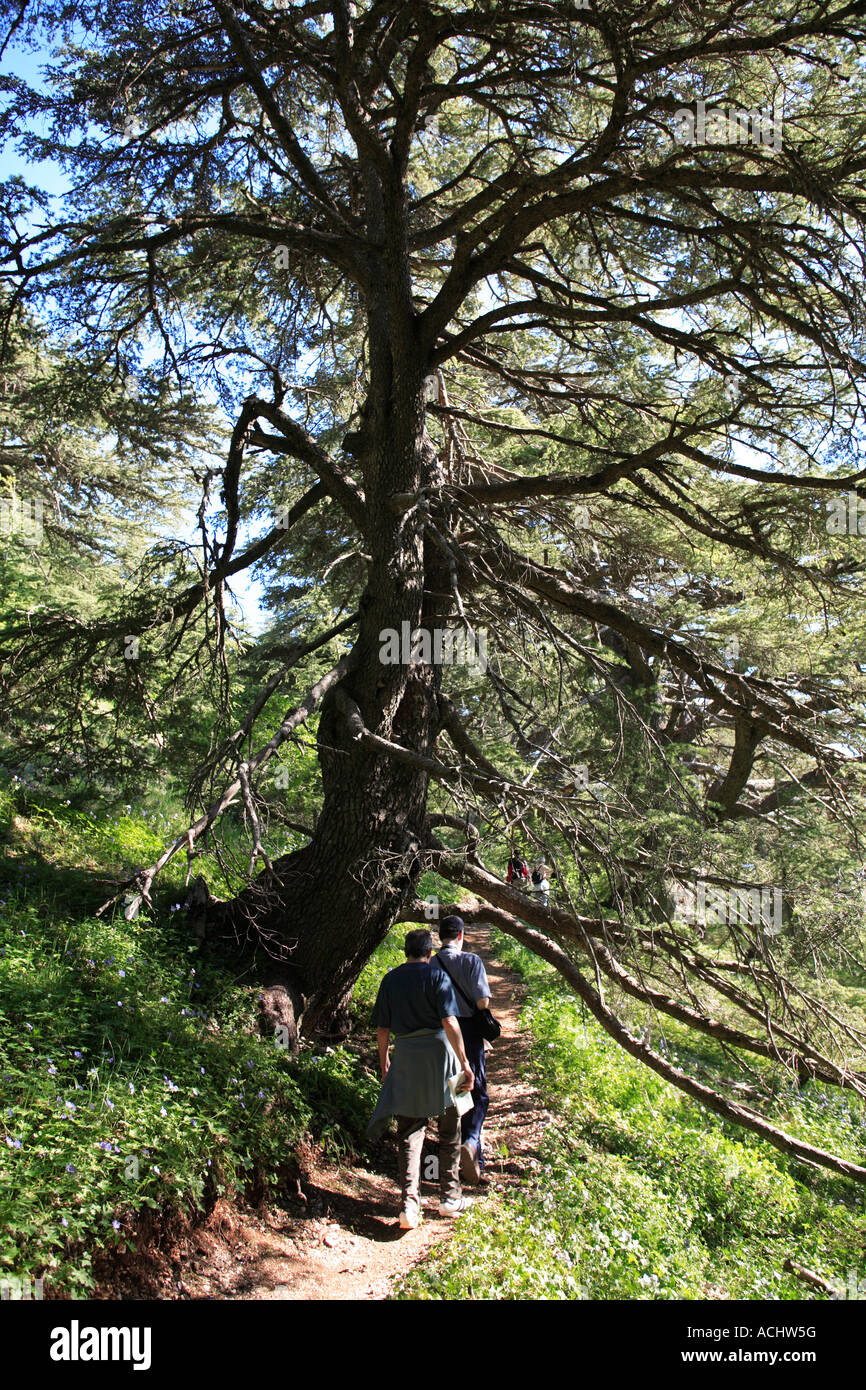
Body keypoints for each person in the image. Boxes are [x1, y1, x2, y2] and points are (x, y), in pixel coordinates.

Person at [367, 928, 475, 1229]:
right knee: (451, 1125)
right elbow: (450, 1022)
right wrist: (466, 1064)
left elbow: (383, 1029)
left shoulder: (390, 980)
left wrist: (385, 1060)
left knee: (410, 1130)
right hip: (445, 1058)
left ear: (406, 951)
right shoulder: (437, 977)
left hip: (407, 1058)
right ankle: (450, 1196)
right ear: (429, 953)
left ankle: (408, 1205)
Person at [434, 915, 492, 1186]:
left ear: (439, 936)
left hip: (440, 1031)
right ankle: (470, 1145)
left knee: (453, 1091)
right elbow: (482, 1001)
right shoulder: (472, 961)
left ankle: (454, 1160)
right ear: (461, 935)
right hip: (468, 1030)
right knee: (477, 1093)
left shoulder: (431, 963)